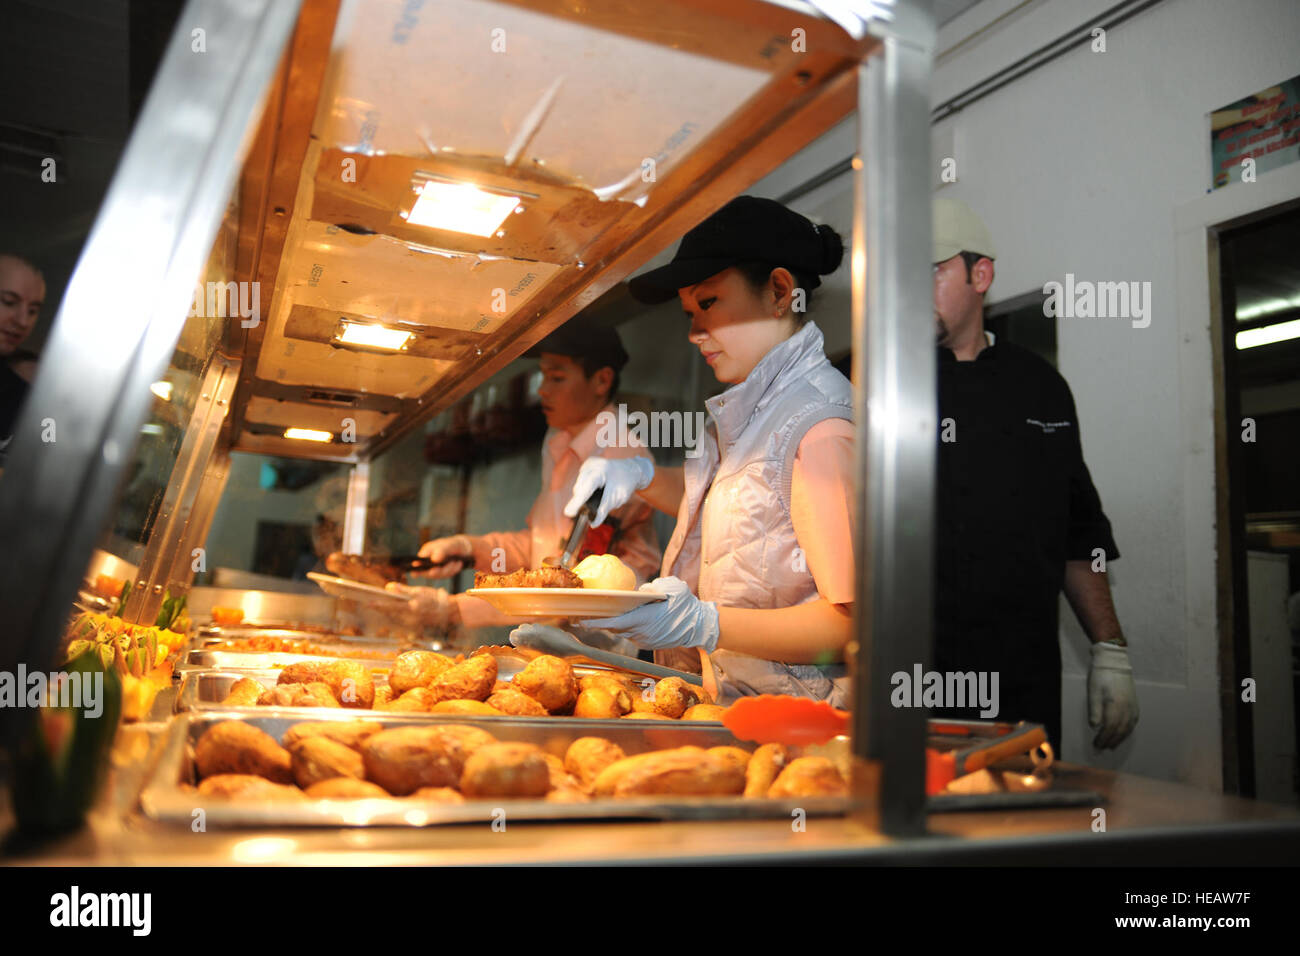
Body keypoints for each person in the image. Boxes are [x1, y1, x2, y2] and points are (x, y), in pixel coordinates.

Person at [558, 196, 856, 706]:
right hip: (738, 706)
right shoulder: (753, 411)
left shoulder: (819, 425)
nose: (695, 332)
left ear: (780, 291)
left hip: (805, 726)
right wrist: (642, 476)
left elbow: (850, 625)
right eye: (689, 312)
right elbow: (742, 514)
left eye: (709, 303)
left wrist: (702, 623)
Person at [929, 197, 1138, 754]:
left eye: (932, 271)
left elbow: (1078, 529)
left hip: (1023, 676)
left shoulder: (1040, 385)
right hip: (913, 681)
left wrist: (1109, 648)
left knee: (1026, 824)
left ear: (981, 274)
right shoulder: (884, 385)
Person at [400, 315, 661, 632]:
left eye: (557, 378)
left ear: (602, 381)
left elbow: (566, 584)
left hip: (600, 653)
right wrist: (470, 549)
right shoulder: (560, 443)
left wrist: (453, 609)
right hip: (558, 644)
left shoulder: (618, 458)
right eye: (542, 377)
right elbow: (543, 550)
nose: (543, 391)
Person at [0, 254, 46, 468]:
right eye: (9, 302)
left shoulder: (22, 394)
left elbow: (48, 447)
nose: (22, 321)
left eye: (33, 311)